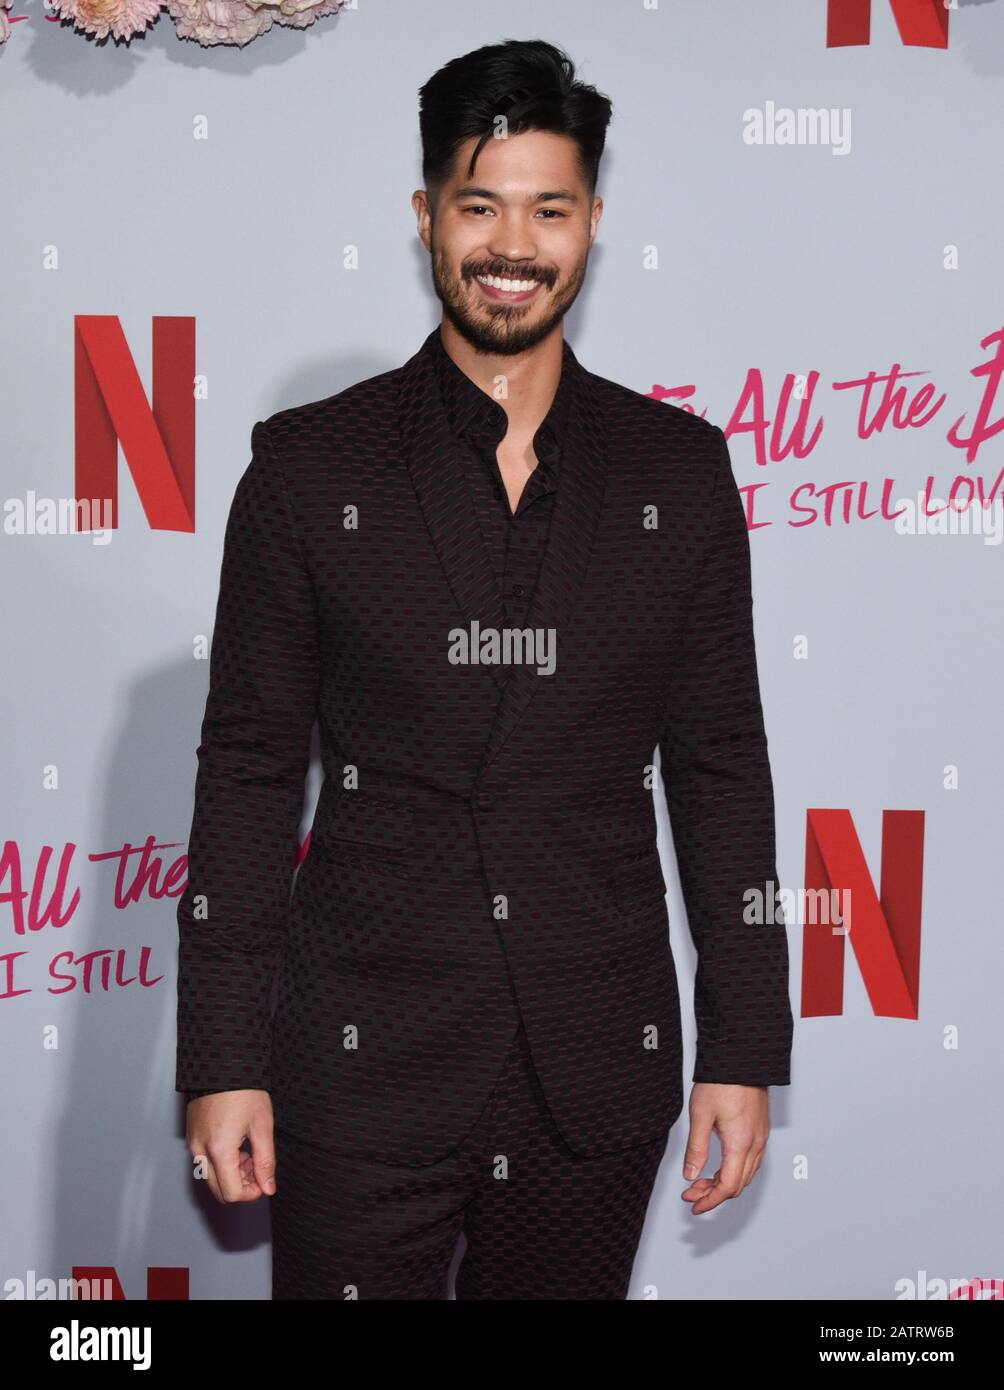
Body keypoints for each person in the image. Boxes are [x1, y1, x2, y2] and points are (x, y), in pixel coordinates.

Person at [176, 38, 793, 1301]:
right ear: (424, 220)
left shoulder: (676, 473)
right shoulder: (308, 467)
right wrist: (222, 1056)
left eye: (546, 207)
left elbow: (719, 764)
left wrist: (742, 1043)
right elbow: (246, 772)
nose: (512, 243)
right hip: (362, 1059)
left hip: (592, 1062)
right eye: (479, 204)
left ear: (590, 225)